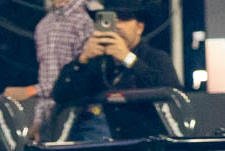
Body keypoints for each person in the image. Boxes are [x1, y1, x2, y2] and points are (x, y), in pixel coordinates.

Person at [51, 0, 180, 142]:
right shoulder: (98, 63)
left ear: (139, 27)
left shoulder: (155, 57)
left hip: (145, 145)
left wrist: (128, 59)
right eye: (110, 18)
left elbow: (172, 93)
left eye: (124, 18)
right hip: (101, 147)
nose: (117, 24)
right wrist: (82, 60)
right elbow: (60, 94)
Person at [3, 0, 94, 138]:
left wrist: (31, 91)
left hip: (80, 118)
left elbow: (86, 78)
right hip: (50, 121)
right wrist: (39, 121)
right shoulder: (43, 25)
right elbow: (47, 76)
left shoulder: (85, 21)